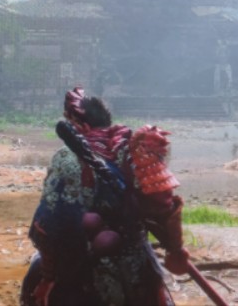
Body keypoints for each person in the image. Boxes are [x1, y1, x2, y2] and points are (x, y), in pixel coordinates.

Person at [20, 87, 190, 306]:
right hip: (135, 262)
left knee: (35, 286)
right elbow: (164, 206)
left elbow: (47, 225)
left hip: (80, 265)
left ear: (79, 125)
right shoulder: (135, 150)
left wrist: (48, 277)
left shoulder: (65, 158)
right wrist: (176, 250)